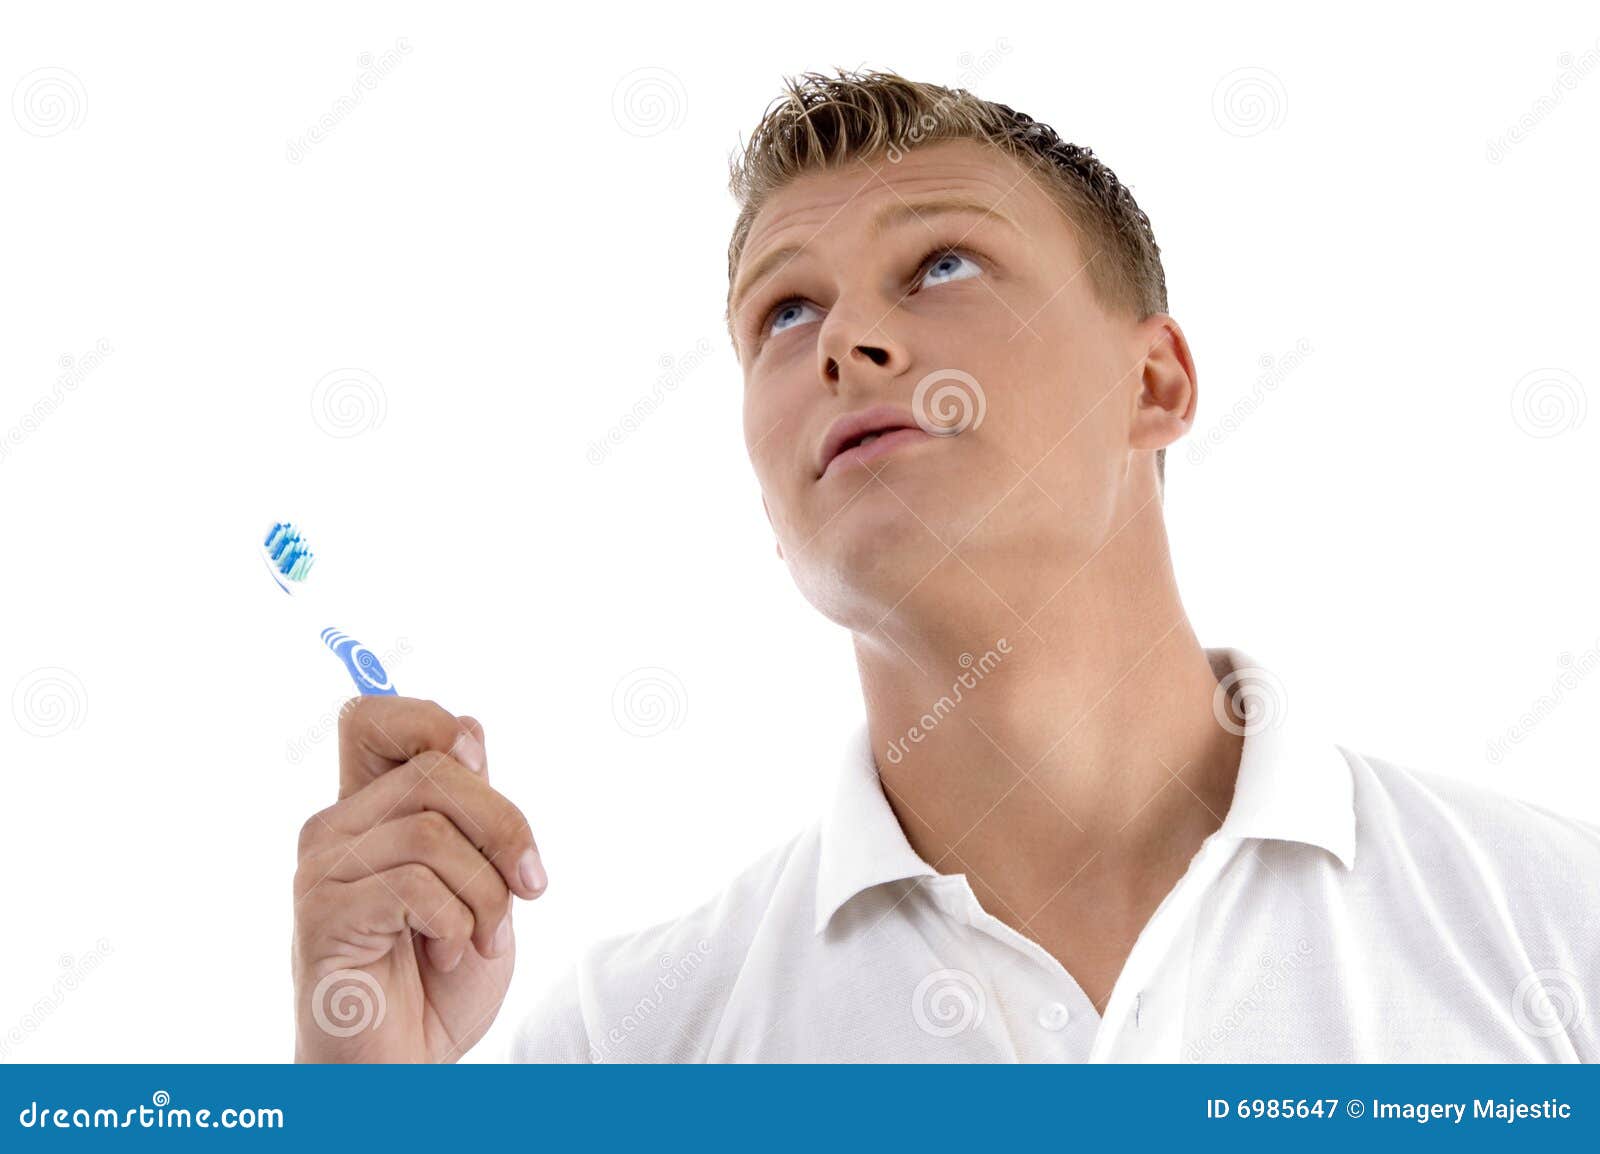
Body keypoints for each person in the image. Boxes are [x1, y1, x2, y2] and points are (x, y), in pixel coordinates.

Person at [292, 69, 1600, 1063]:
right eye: (785, 311)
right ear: (770, 496)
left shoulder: (1559, 935)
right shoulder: (624, 1049)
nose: (845, 341)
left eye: (942, 265)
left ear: (1154, 382)